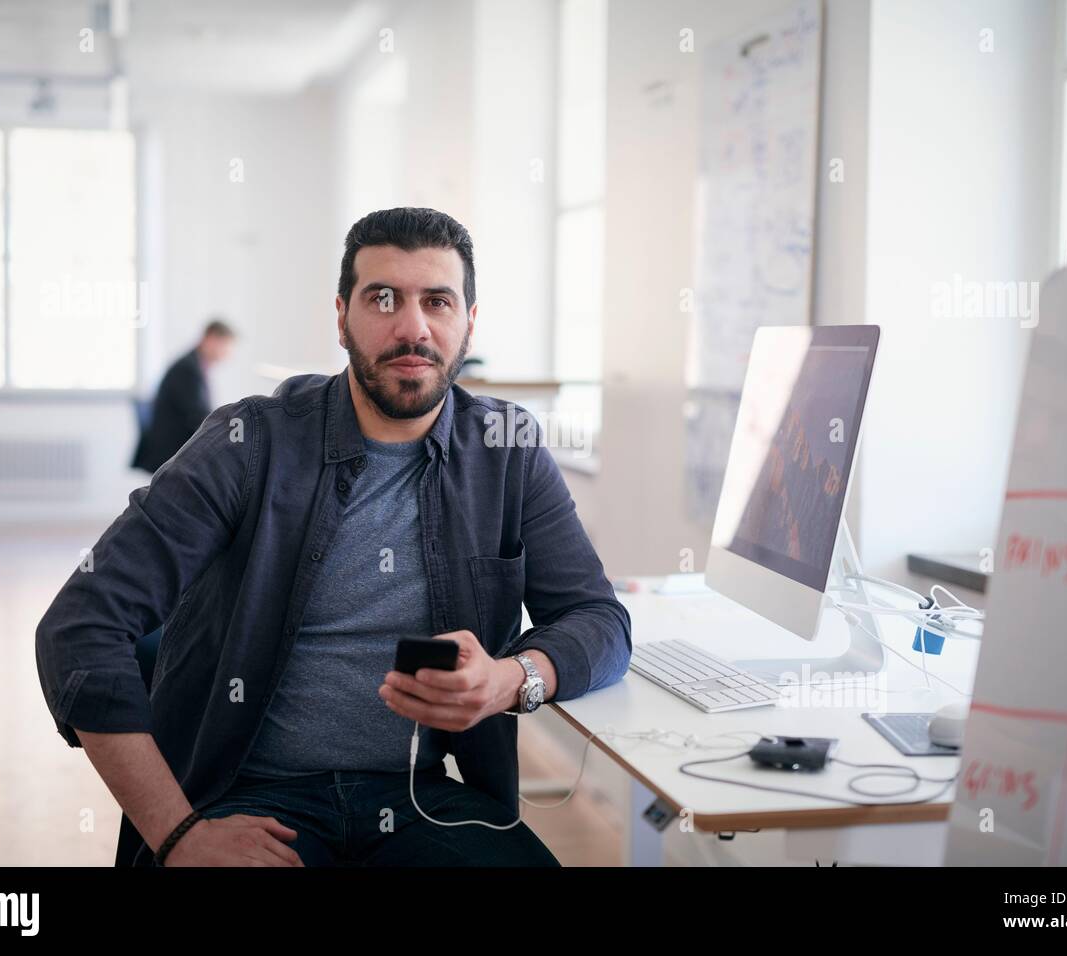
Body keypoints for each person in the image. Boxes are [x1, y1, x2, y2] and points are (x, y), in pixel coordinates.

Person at [35, 207, 632, 866]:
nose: (413, 327)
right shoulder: (247, 443)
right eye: (383, 299)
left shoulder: (507, 448)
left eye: (438, 300)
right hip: (247, 797)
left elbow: (597, 619)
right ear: (342, 317)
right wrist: (175, 832)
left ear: (469, 322)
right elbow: (80, 625)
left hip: (422, 798)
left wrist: (512, 679)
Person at [130, 320, 235, 473]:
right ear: (211, 339)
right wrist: (230, 434)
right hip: (171, 451)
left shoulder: (194, 364)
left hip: (173, 447)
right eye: (226, 346)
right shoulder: (188, 370)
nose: (228, 353)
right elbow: (200, 417)